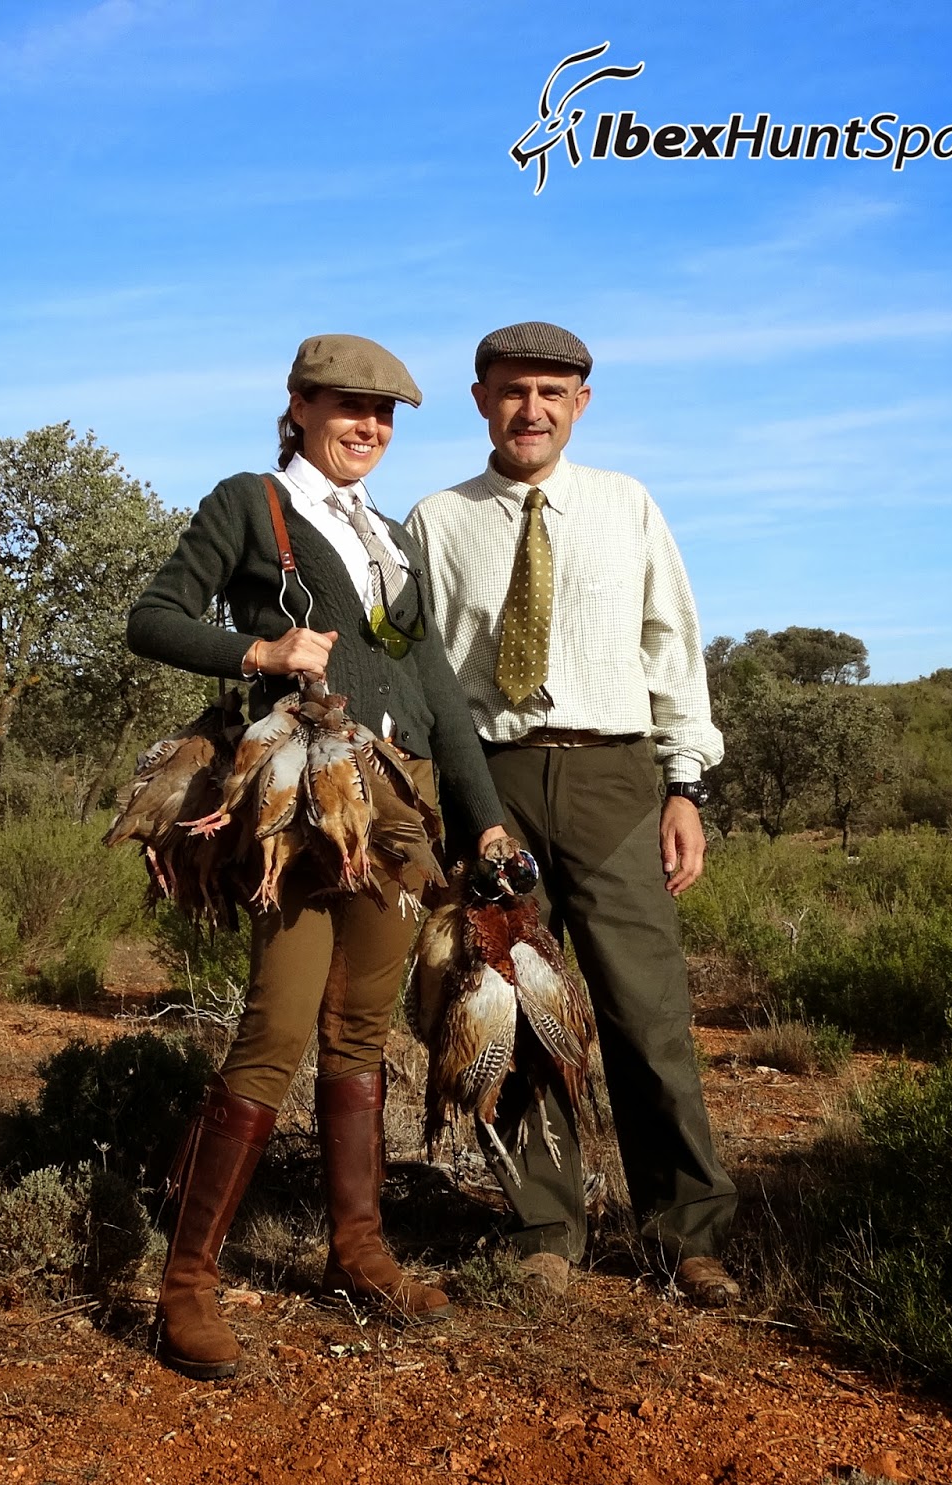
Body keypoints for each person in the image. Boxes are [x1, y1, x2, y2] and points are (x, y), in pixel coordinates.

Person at [128, 333, 513, 1380]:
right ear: (296, 406)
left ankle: (357, 1250)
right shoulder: (249, 504)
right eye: (348, 407)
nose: (369, 428)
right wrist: (257, 651)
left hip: (400, 813)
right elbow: (151, 618)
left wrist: (478, 822)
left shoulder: (388, 535)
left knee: (359, 1031)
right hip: (298, 807)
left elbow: (435, 689)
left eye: (385, 415)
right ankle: (186, 1288)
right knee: (275, 1029)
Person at [405, 320, 739, 1307]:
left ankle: (686, 1231)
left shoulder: (624, 506)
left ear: (580, 403)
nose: (531, 409)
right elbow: (413, 669)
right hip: (488, 781)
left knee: (647, 1014)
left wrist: (684, 786)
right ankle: (543, 1225)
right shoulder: (435, 520)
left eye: (551, 391)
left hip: (612, 777)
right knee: (511, 1008)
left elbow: (671, 647)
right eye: (512, 390)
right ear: (480, 399)